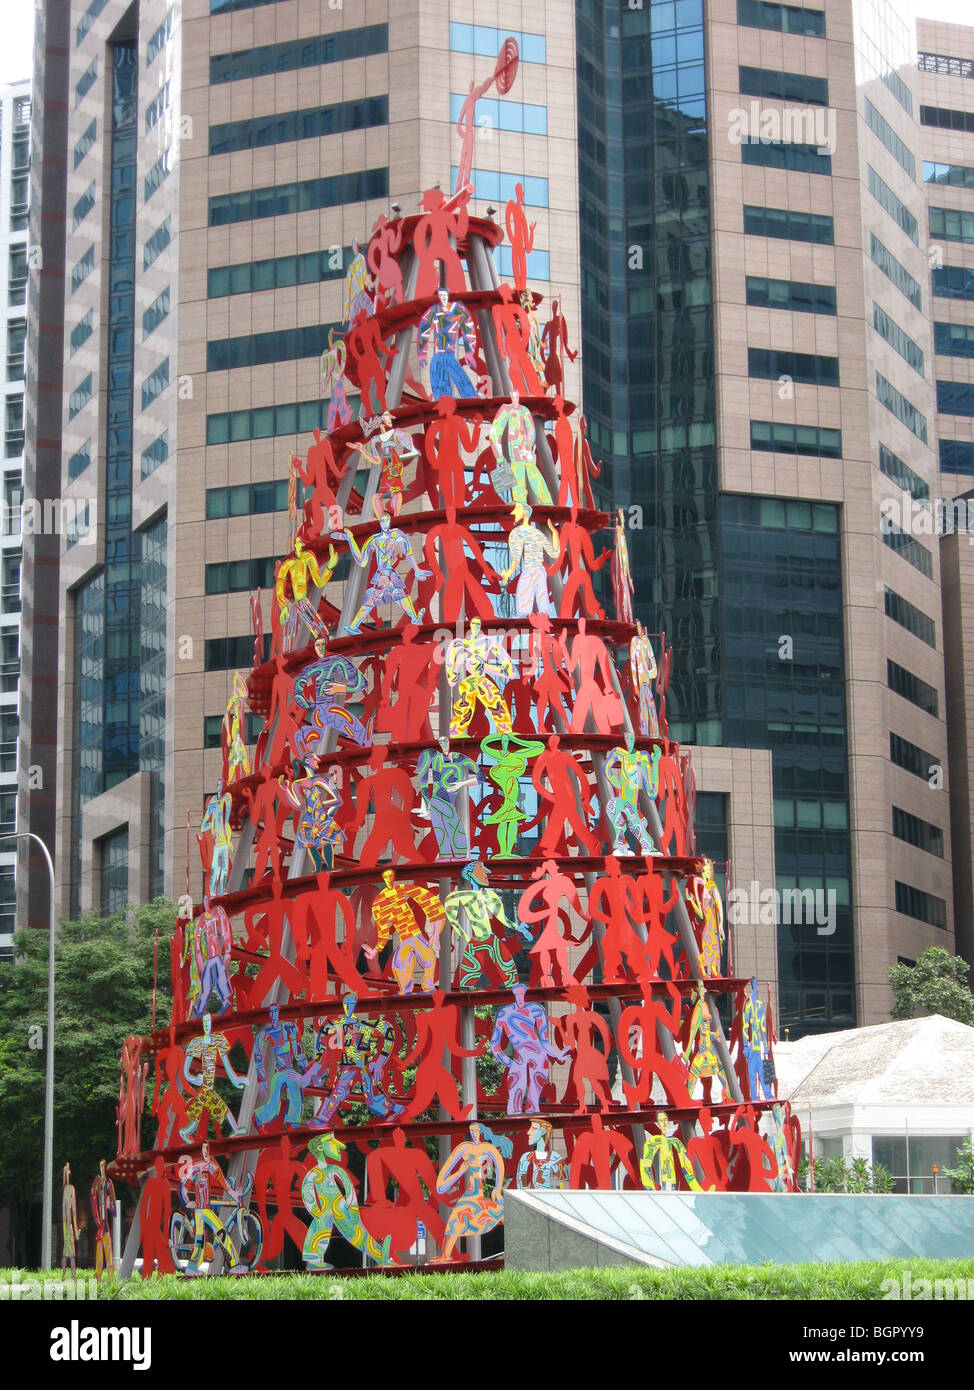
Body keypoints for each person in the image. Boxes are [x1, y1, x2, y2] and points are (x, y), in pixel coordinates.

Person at [301, 1132, 392, 1269]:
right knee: (321, 1229)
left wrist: (352, 1207)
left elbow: (348, 1189)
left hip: (340, 1208)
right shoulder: (316, 1173)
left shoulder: (334, 1170)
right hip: (327, 1210)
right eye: (331, 1143)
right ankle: (313, 1259)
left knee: (356, 1232)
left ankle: (380, 1256)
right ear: (320, 1148)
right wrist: (315, 1211)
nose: (340, 1148)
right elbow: (307, 1192)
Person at [430, 1123, 512, 1263]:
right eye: (471, 1131)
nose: (474, 1133)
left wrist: (497, 1189)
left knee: (502, 1216)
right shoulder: (463, 1148)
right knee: (454, 1223)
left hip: (479, 1195)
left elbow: (499, 1164)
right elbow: (440, 1187)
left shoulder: (487, 1148)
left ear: (481, 1131)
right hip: (470, 1196)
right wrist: (460, 1171)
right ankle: (445, 1256)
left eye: (476, 1130)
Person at [335, 512, 430, 633]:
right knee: (373, 598)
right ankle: (354, 626)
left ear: (390, 521)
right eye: (382, 521)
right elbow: (362, 561)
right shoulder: (374, 539)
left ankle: (414, 618)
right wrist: (351, 540)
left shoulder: (396, 534)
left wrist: (416, 569)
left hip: (389, 573)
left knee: (400, 594)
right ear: (379, 523)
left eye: (386, 520)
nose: (384, 523)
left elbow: (408, 551)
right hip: (381, 575)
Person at [444, 858, 531, 989]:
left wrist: (519, 928)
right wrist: (465, 936)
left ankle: (515, 993)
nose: (486, 873)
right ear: (471, 874)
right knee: (467, 980)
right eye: (481, 870)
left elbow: (503, 919)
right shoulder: (460, 896)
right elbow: (451, 918)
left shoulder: (489, 895)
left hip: (489, 940)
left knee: (509, 972)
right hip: (477, 942)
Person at [179, 1011, 248, 1142]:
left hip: (208, 1086)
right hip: (205, 1084)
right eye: (204, 1023)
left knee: (201, 1108)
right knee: (216, 1106)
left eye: (208, 1023)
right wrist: (191, 1078)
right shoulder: (197, 1042)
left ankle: (185, 1132)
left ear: (212, 1024)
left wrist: (234, 1079)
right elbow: (185, 1069)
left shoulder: (218, 1039)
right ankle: (185, 1132)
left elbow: (227, 1064)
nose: (206, 1025)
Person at [417, 287, 479, 399]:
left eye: (445, 295)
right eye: (441, 296)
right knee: (440, 385)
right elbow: (423, 329)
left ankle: (470, 399)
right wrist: (422, 353)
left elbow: (468, 328)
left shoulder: (457, 309)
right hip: (438, 353)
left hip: (448, 353)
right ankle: (446, 406)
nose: (443, 298)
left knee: (462, 381)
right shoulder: (434, 310)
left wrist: (469, 352)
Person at [516, 1119, 567, 1190]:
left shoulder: (555, 1157)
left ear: (542, 1132)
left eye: (533, 1129)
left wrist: (562, 1195)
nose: (528, 1132)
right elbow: (521, 1182)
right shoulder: (526, 1157)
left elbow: (564, 1182)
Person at [90, 1158, 117, 1278]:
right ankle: (100, 1274)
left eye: (103, 1167)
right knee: (102, 1249)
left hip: (104, 1223)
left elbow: (112, 1202)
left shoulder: (108, 1183)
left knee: (106, 1248)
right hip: (101, 1223)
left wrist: (112, 1205)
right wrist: (97, 1219)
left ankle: (105, 1275)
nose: (102, 1169)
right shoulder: (97, 1182)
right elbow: (93, 1199)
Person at [61, 1163, 80, 1275]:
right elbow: (69, 1213)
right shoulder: (67, 1190)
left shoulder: (70, 1189)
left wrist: (75, 1230)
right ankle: (68, 1275)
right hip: (68, 1228)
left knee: (70, 1254)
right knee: (68, 1254)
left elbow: (74, 1212)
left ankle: (71, 1274)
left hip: (69, 1228)